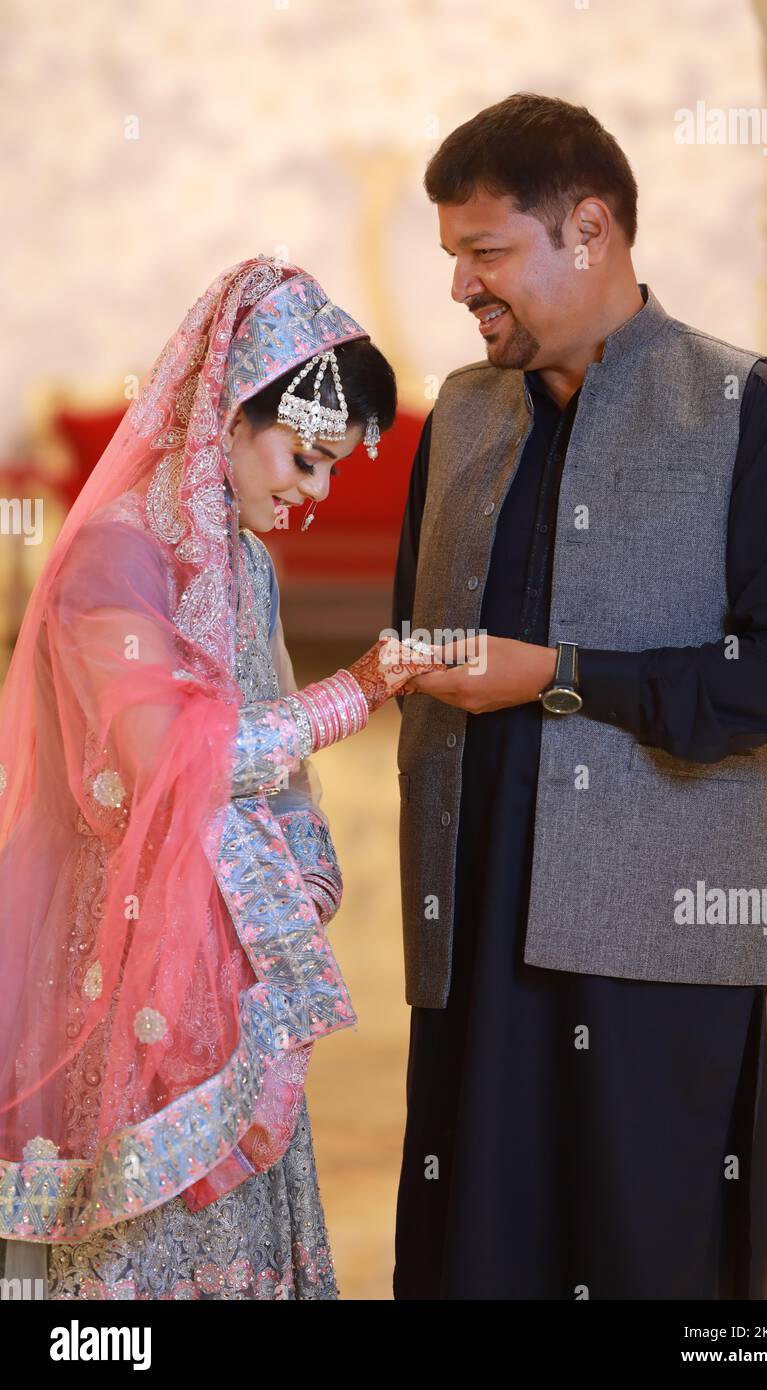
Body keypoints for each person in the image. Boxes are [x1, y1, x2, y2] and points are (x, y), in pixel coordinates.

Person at [391, 94, 767, 1300]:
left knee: (649, 1261)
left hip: (659, 942)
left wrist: (561, 676)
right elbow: (415, 635)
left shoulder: (745, 409)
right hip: (472, 926)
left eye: (484, 253)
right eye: (452, 258)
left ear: (587, 229)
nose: (460, 289)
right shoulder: (458, 414)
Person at [0, 254, 442, 1300]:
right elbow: (171, 761)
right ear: (226, 420)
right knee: (141, 1243)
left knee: (247, 1228)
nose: (314, 491)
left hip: (229, 962)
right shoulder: (116, 557)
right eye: (301, 456)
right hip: (124, 961)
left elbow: (273, 760)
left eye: (334, 466)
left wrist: (313, 874)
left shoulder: (243, 561)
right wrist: (363, 688)